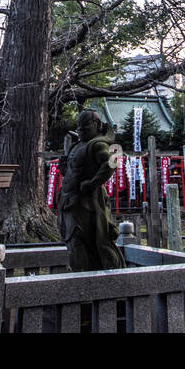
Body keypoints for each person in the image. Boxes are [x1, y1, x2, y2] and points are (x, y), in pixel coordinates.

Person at [58, 110, 123, 271]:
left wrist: (93, 182)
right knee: (74, 241)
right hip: (69, 201)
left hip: (85, 203)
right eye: (79, 127)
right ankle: (82, 278)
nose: (81, 130)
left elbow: (111, 163)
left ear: (97, 125)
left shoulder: (97, 145)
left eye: (86, 126)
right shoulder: (77, 146)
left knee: (79, 241)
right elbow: (74, 172)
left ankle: (84, 281)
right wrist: (64, 169)